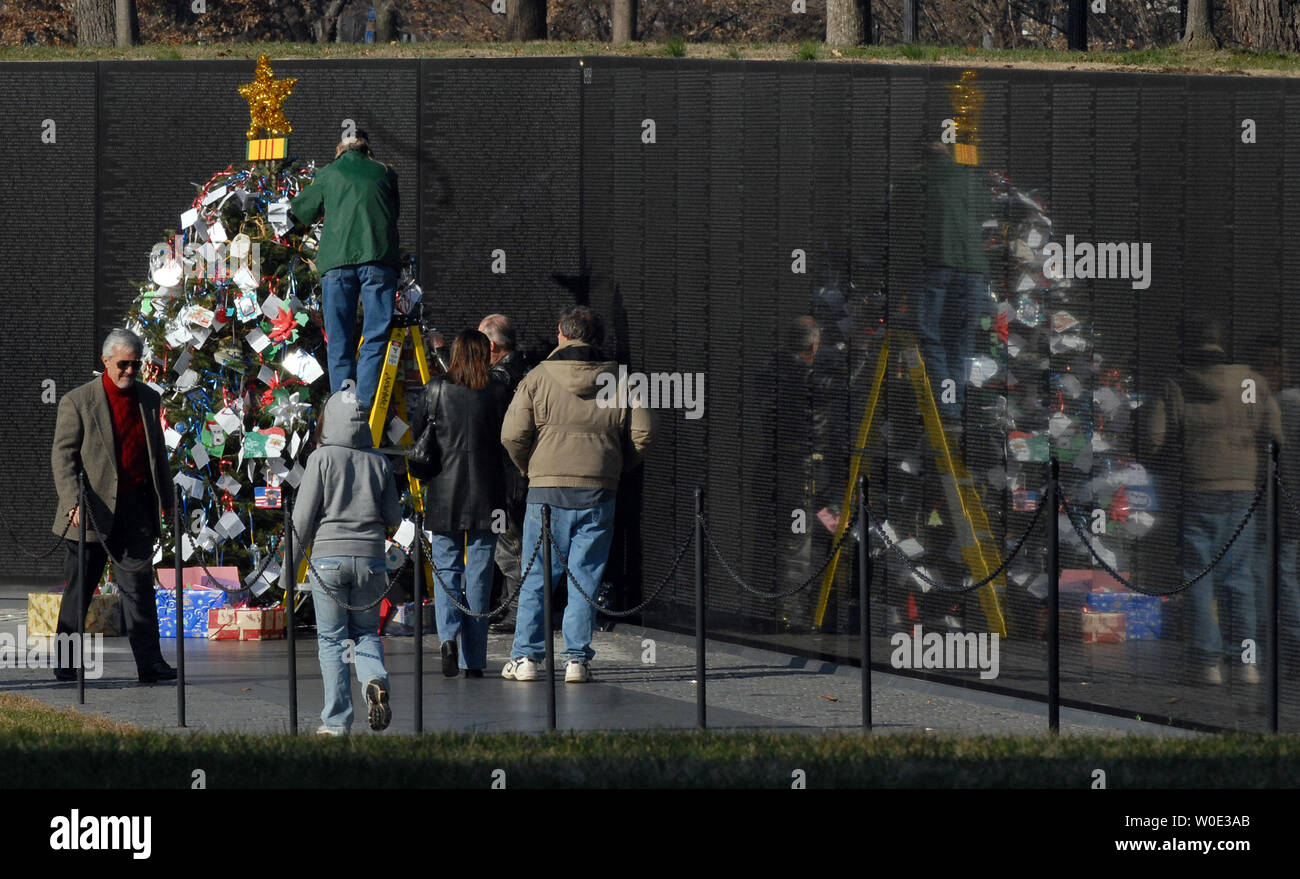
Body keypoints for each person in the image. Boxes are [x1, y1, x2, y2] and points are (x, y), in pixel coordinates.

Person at [500, 306, 654, 683]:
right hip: (599, 489)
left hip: (546, 491)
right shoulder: (622, 380)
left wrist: (530, 469)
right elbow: (645, 434)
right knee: (586, 578)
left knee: (536, 575)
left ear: (561, 334)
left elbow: (511, 435)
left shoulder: (537, 377)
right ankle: (576, 661)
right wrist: (614, 466)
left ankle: (526, 659)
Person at [1150, 317, 1282, 686]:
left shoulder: (1177, 386)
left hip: (1197, 490)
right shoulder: (1249, 384)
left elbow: (1155, 439)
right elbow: (1271, 431)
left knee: (1198, 577)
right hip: (1242, 490)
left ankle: (1207, 662)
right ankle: (1247, 662)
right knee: (1239, 578)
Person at [50, 329, 176, 684]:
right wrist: (73, 503)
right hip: (91, 510)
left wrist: (168, 505)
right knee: (80, 591)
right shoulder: (78, 401)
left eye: (136, 365)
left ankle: (150, 664)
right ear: (105, 361)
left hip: (135, 511)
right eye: (123, 364)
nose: (129, 372)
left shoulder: (149, 399)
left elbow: (159, 460)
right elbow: (63, 457)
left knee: (139, 592)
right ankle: (67, 662)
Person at [293, 387, 402, 734]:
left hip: (328, 562)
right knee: (366, 632)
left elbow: (302, 520)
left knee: (333, 640)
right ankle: (374, 679)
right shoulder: (379, 461)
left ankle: (337, 722)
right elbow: (393, 517)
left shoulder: (320, 459)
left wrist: (285, 574)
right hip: (371, 560)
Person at [409, 330, 511, 678]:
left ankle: (447, 638)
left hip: (444, 493)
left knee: (446, 571)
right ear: (484, 354)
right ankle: (474, 659)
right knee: (481, 575)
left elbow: (419, 431)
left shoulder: (436, 388)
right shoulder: (498, 391)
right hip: (490, 495)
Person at [289, 130, 400, 409]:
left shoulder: (330, 172)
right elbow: (393, 211)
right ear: (367, 148)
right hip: (379, 260)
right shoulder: (385, 172)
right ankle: (363, 404)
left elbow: (302, 211)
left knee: (339, 339)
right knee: (375, 335)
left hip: (337, 264)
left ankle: (342, 409)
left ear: (340, 148)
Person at [917, 141, 991, 425]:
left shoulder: (918, 178)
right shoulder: (969, 179)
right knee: (961, 343)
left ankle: (946, 409)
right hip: (973, 270)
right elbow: (986, 212)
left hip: (936, 264)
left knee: (931, 336)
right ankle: (955, 409)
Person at [479, 313, 529, 634]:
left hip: (507, 478)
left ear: (493, 346)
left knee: (510, 547)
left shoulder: (500, 378)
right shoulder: (525, 369)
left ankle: (519, 611)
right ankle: (510, 605)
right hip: (518, 474)